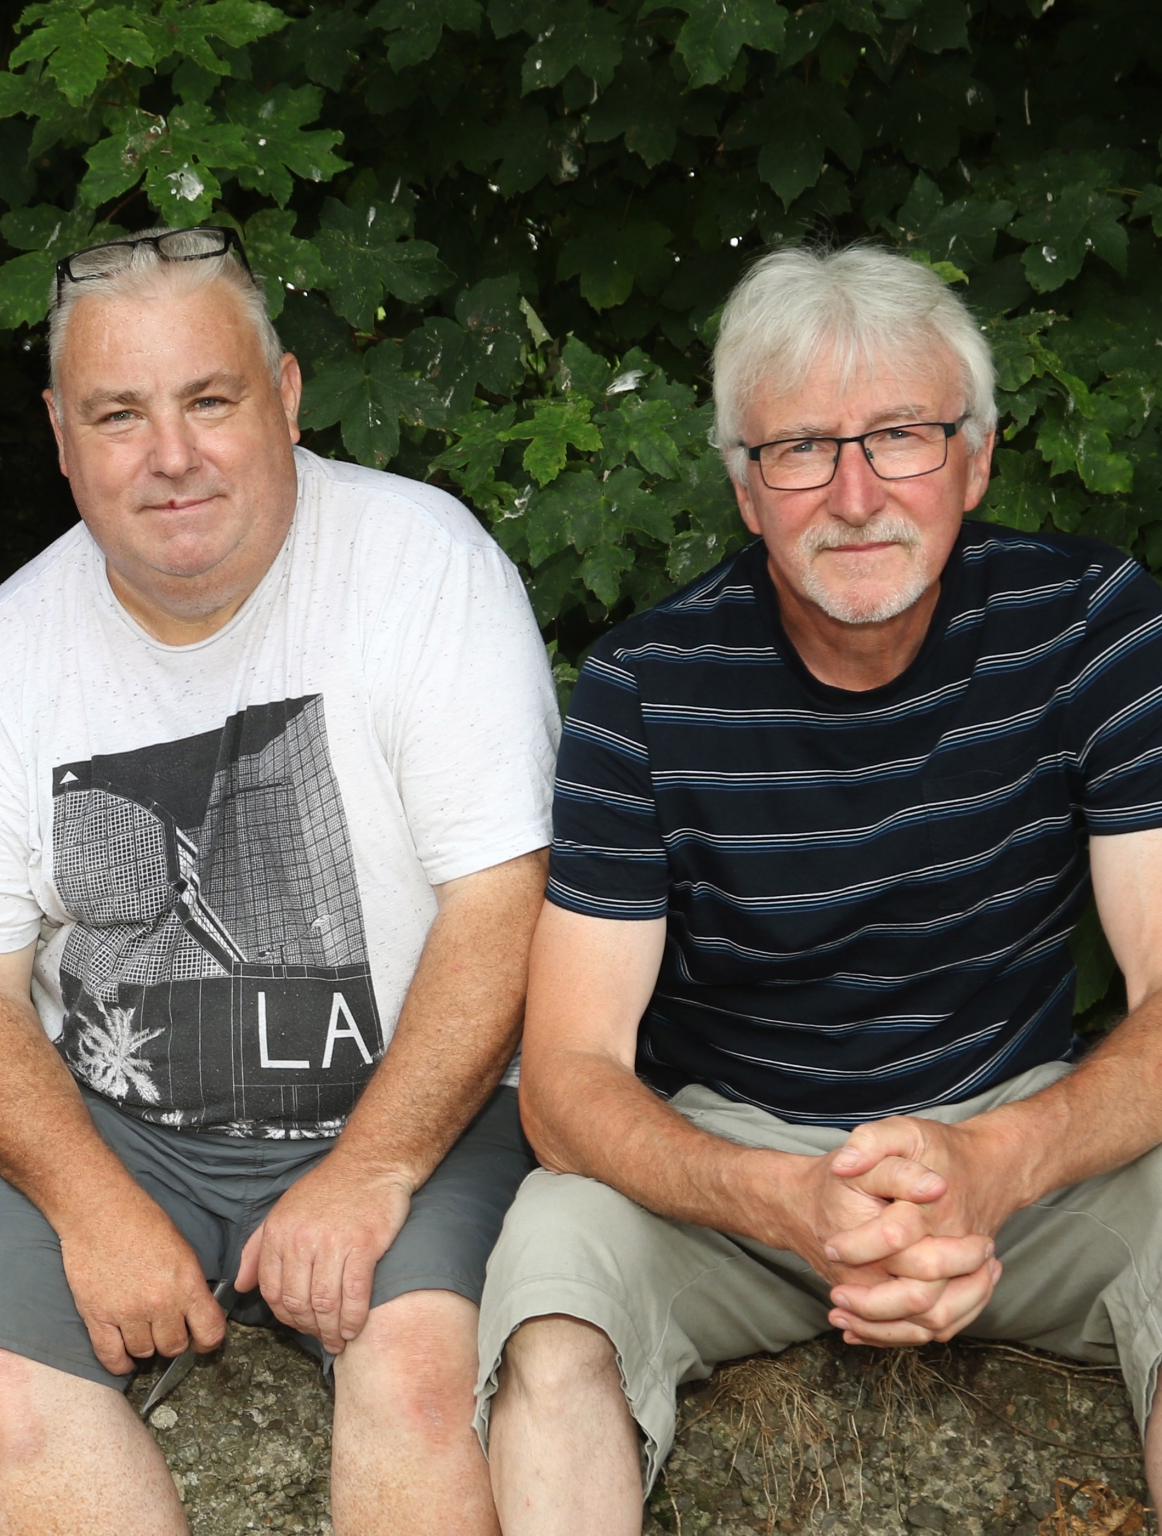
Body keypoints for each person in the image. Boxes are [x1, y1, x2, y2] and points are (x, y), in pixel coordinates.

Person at [477, 242, 1162, 1533]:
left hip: (1020, 1136)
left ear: (977, 455)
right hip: (735, 1164)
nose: (855, 494)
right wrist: (780, 1200)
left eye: (901, 435)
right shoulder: (644, 689)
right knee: (552, 1290)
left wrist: (1000, 1162)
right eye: (800, 449)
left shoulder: (1091, 623)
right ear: (747, 491)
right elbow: (568, 1078)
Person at [0, 225, 561, 1535]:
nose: (172, 456)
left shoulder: (423, 567)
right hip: (124, 1129)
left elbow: (505, 905)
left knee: (425, 1384)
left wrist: (371, 1172)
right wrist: (91, 1206)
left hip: (420, 1108)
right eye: (119, 414)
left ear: (288, 394)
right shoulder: (2, 658)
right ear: (59, 433)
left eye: (210, 399)